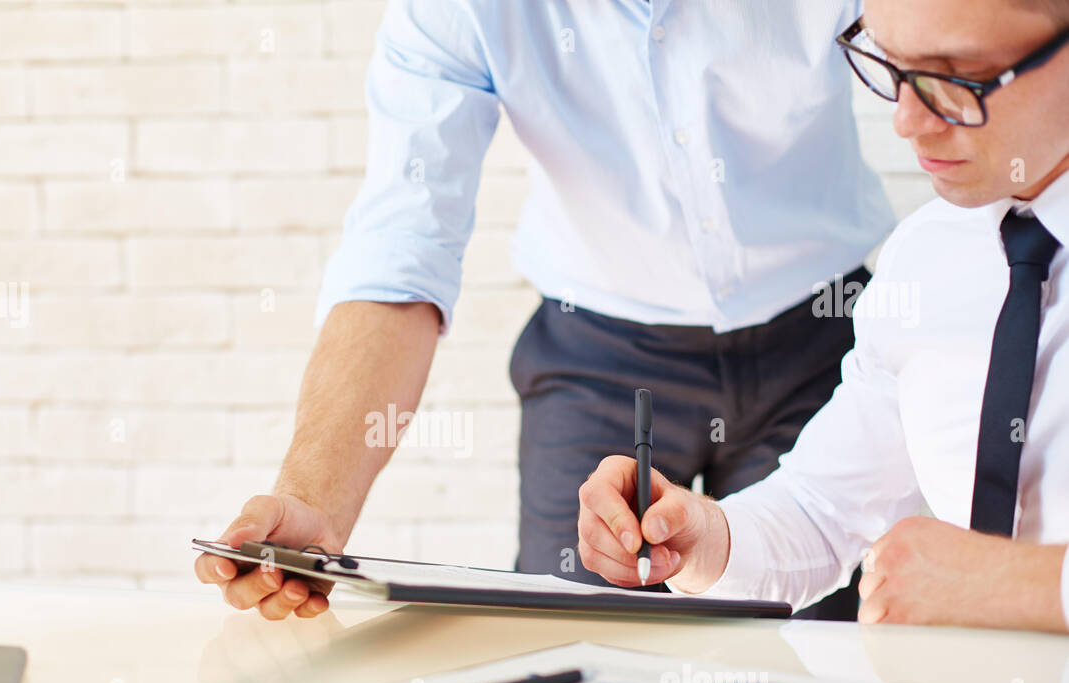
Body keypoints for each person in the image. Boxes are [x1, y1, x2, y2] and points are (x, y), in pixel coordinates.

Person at [197, 0, 896, 620]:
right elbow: (400, 254)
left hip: (825, 342)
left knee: (814, 654)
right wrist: (316, 497)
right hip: (599, 357)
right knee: (570, 650)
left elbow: (957, 59)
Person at [577, 0, 1069, 633]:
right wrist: (701, 538)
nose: (907, 120)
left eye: (957, 77)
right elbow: (826, 510)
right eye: (892, 66)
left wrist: (1020, 588)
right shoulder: (926, 256)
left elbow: (990, 585)